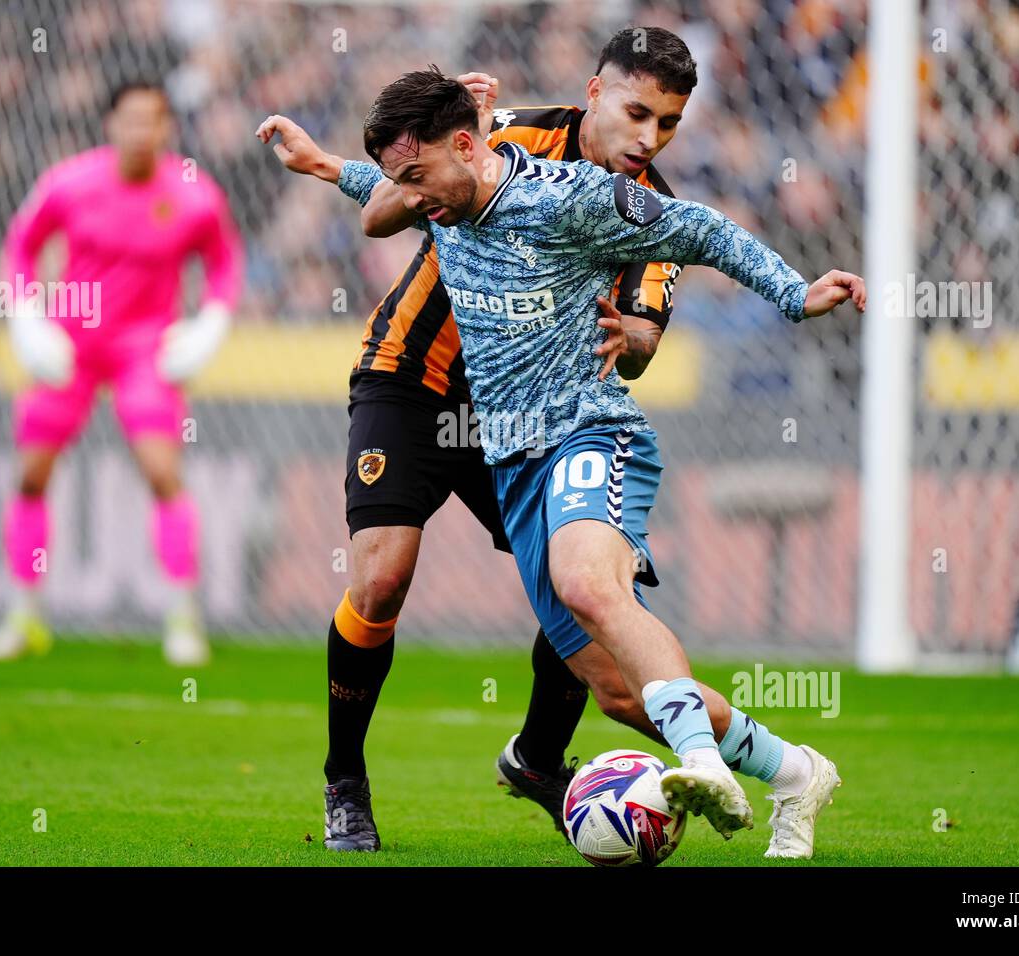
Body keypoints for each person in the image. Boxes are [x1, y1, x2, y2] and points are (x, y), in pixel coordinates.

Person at [312, 68, 864, 858]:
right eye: (405, 183)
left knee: (586, 585)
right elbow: (384, 190)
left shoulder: (569, 196)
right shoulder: (445, 194)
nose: (411, 199)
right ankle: (794, 770)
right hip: (515, 464)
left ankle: (702, 765)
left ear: (467, 146)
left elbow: (699, 229)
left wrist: (791, 292)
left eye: (418, 179)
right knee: (615, 690)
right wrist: (326, 167)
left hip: (591, 433)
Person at [259, 28, 696, 852]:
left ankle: (537, 758)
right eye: (637, 113)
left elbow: (641, 338)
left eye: (668, 124)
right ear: (595, 94)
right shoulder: (515, 134)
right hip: (413, 381)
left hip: (526, 414)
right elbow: (383, 213)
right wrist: (448, 164)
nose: (648, 139)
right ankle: (344, 781)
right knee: (382, 580)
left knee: (590, 589)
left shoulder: (652, 214)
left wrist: (631, 339)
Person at [0, 81, 243, 667]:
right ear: (110, 124)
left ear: (166, 127)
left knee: (161, 472)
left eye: (152, 120)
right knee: (30, 474)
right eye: (130, 120)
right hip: (69, 341)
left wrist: (212, 323)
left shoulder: (193, 193)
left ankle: (182, 617)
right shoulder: (69, 182)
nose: (140, 132)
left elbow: (225, 263)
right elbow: (22, 246)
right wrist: (25, 317)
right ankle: (23, 614)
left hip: (144, 348)